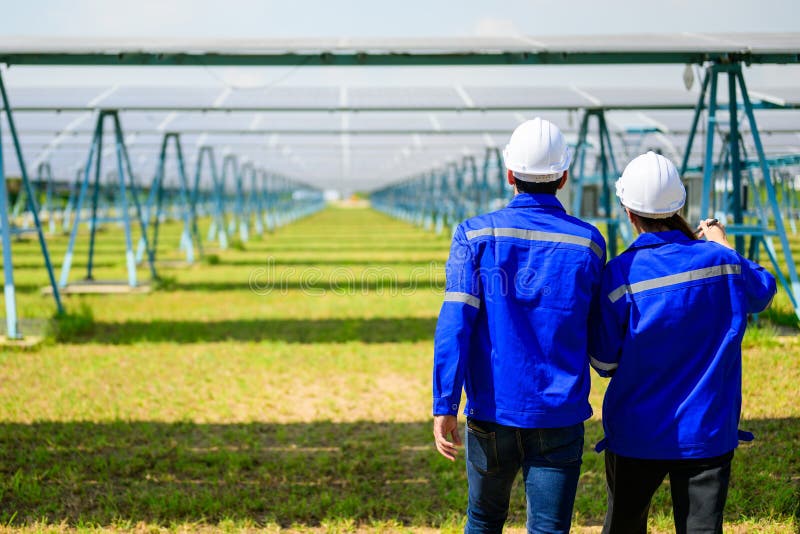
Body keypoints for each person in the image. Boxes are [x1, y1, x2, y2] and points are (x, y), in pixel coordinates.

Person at [432, 118, 607, 533]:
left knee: (483, 518)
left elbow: (455, 323)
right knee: (549, 527)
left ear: (509, 174)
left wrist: (445, 403)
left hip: (492, 410)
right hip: (558, 414)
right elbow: (598, 331)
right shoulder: (588, 242)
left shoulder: (474, 236)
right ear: (564, 177)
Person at [588, 151, 777, 534]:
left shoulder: (618, 276)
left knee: (623, 525)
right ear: (680, 205)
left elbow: (604, 362)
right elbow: (762, 291)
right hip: (705, 432)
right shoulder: (720, 261)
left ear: (628, 211)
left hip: (635, 433)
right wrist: (721, 245)